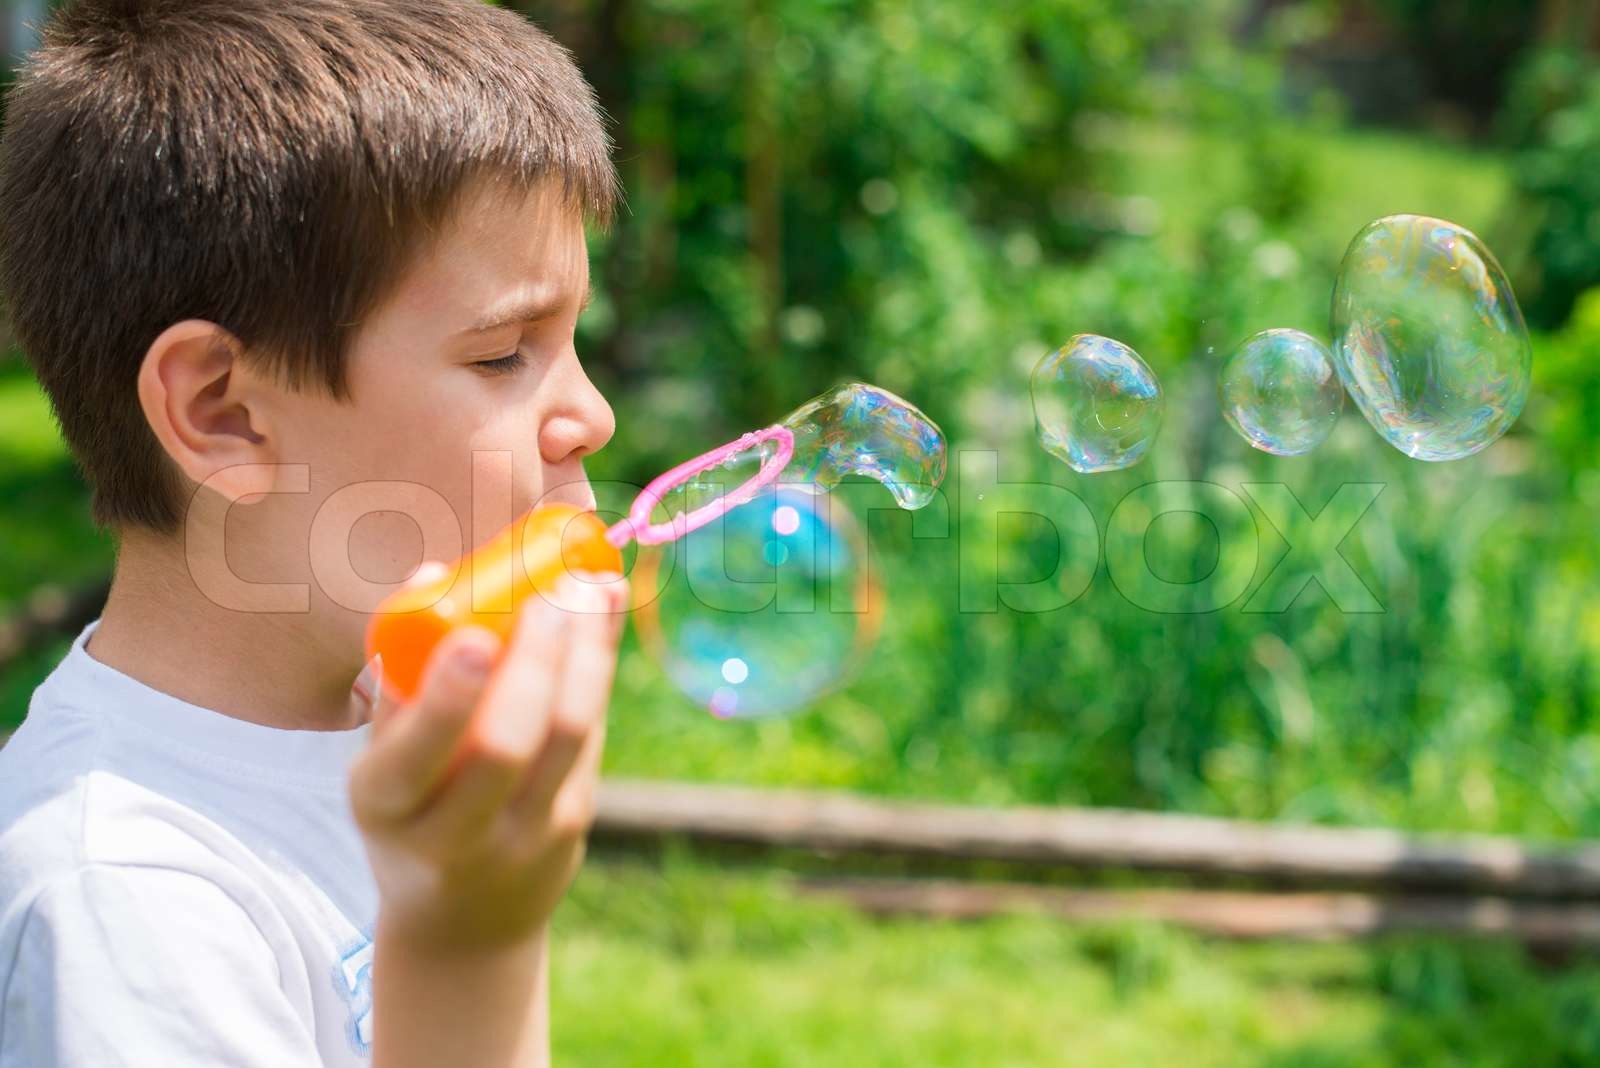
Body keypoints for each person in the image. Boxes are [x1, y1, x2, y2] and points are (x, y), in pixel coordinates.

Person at [0, 1, 631, 1064]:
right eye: (502, 354)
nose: (593, 417)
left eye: (571, 341)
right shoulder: (123, 905)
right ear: (223, 413)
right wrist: (468, 946)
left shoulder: (380, 727)